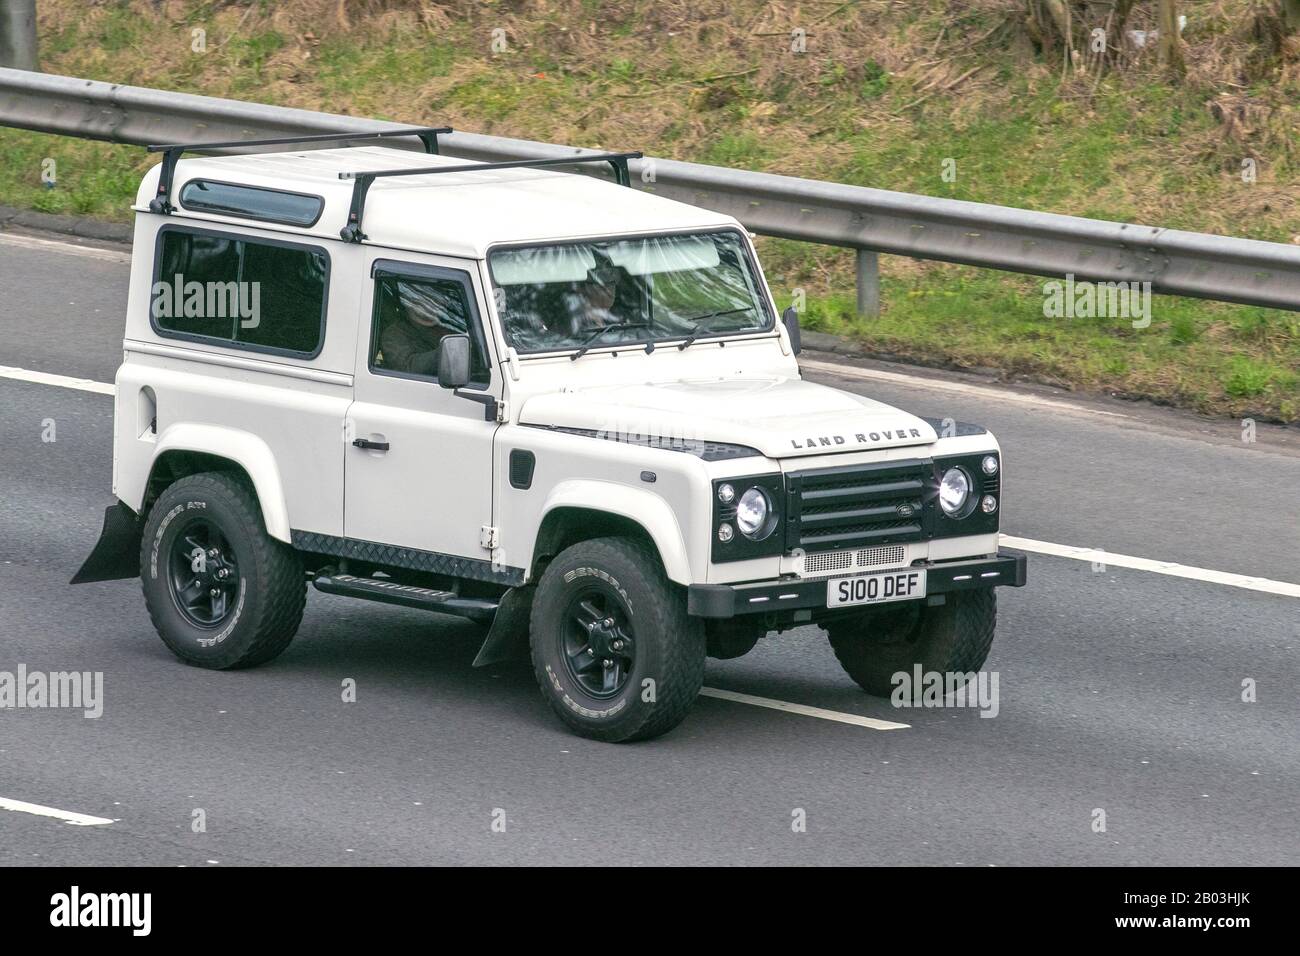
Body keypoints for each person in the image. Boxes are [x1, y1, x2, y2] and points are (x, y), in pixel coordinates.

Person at [380, 283, 453, 375]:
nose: (430, 307)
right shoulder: (393, 334)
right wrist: (448, 352)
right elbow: (406, 367)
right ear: (409, 302)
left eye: (437, 301)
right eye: (423, 301)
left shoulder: (450, 327)